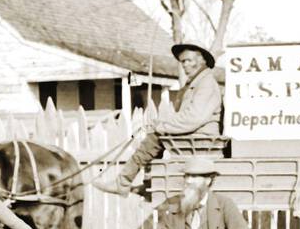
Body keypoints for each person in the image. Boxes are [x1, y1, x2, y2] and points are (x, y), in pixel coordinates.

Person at [95, 42, 222, 196]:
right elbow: (183, 116)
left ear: (202, 60)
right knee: (156, 137)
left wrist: (162, 127)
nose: (185, 65)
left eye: (189, 60)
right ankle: (147, 183)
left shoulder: (206, 84)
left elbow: (192, 119)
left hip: (202, 138)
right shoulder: (194, 85)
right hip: (196, 136)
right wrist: (161, 124)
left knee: (155, 138)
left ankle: (124, 182)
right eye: (182, 62)